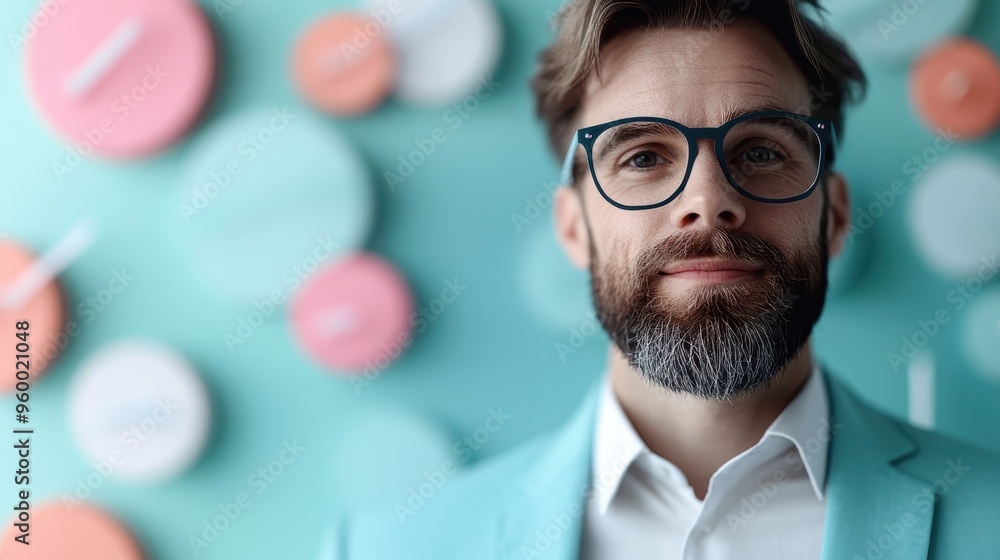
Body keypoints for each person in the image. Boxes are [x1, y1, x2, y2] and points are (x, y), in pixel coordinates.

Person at [323, 1, 1000, 558]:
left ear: (835, 216)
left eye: (762, 150)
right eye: (643, 155)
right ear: (572, 228)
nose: (707, 200)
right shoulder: (386, 548)